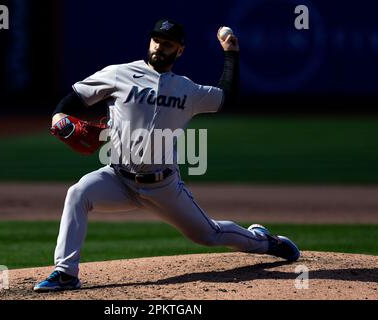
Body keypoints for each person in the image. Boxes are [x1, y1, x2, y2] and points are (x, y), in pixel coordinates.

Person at [34, 18, 300, 292]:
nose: (160, 47)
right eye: (157, 40)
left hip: (163, 186)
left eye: (168, 44)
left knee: (209, 235)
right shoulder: (119, 74)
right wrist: (59, 117)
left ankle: (264, 240)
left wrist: (231, 52)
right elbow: (75, 97)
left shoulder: (187, 90)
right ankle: (66, 272)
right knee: (78, 193)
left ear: (180, 50)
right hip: (117, 178)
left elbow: (226, 96)